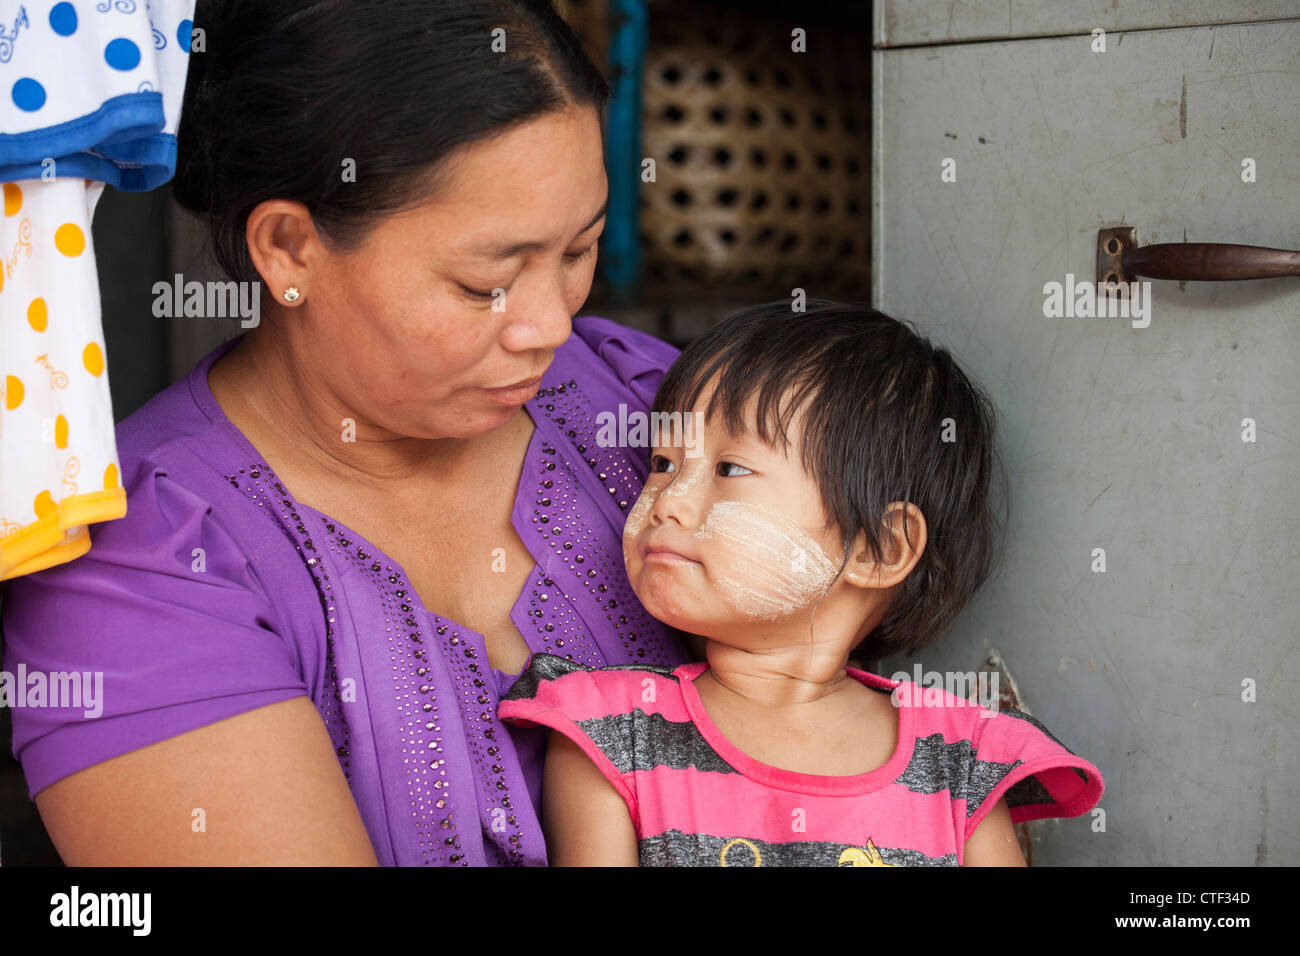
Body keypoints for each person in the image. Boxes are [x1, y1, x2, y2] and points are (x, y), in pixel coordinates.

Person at [1, 0, 688, 865]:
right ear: (289, 248)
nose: (550, 324)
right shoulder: (143, 564)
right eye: (487, 284)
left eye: (578, 251)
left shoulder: (649, 407)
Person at [500, 300, 1106, 866]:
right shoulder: (607, 729)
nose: (667, 503)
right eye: (663, 464)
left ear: (877, 548)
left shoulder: (965, 762)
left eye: (730, 469)